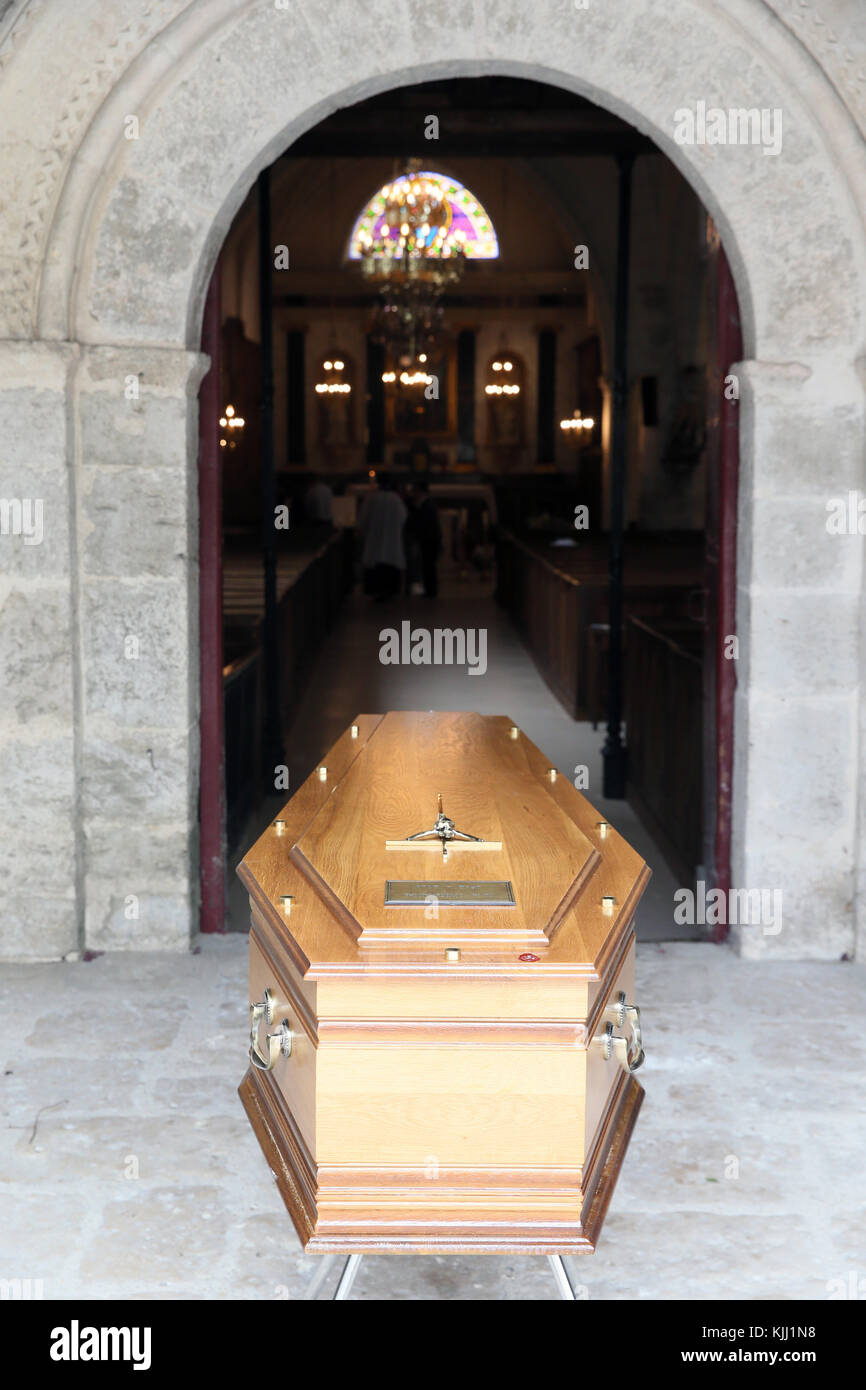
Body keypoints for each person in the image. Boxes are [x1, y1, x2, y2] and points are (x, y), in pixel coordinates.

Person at [358, 472, 407, 600]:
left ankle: (378, 591)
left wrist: (364, 533)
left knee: (377, 566)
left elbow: (364, 519)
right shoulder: (396, 500)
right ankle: (389, 591)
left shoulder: (371, 498)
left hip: (375, 539)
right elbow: (404, 520)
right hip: (392, 541)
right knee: (389, 565)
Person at [407, 481, 442, 597]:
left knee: (429, 567)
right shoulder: (424, 505)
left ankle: (430, 591)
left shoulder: (427, 505)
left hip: (429, 541)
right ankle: (429, 590)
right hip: (427, 540)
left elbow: (425, 524)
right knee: (426, 567)